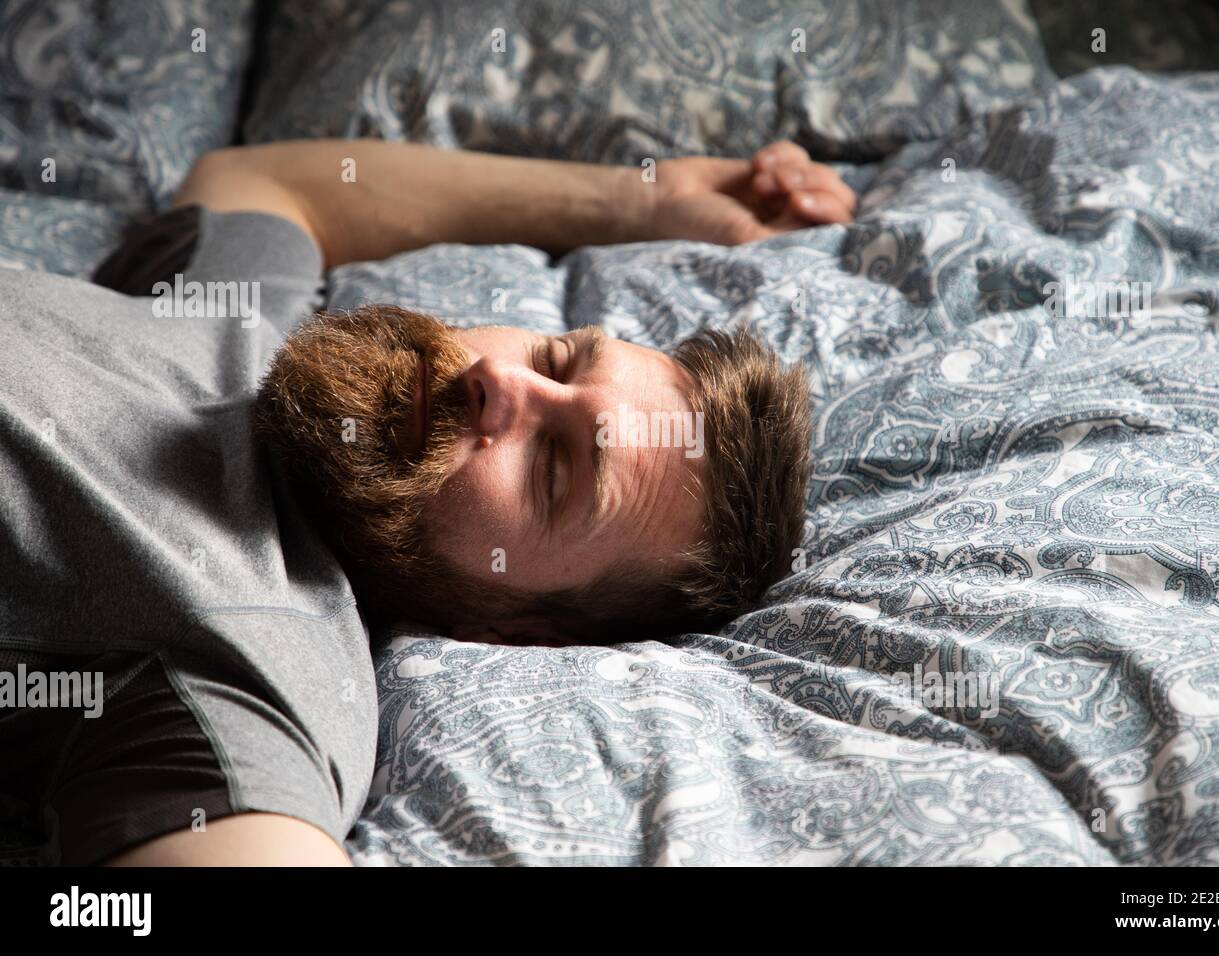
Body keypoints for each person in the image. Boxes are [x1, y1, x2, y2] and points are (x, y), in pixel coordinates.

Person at [0, 139, 854, 865]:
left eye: (555, 469)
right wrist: (645, 197)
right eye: (556, 361)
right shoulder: (260, 345)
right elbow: (269, 184)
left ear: (522, 628)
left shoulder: (246, 665)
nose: (498, 381)